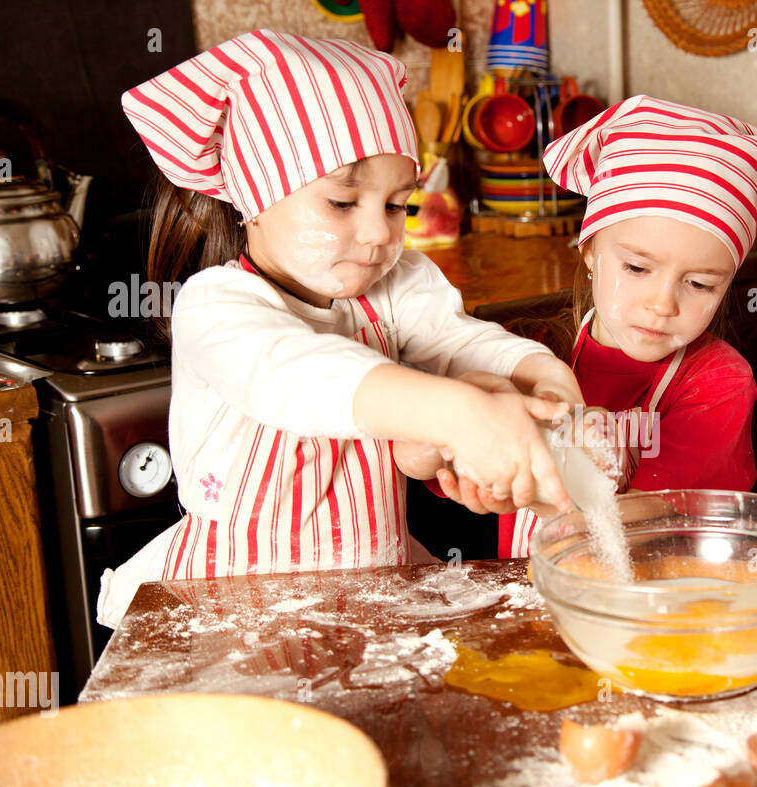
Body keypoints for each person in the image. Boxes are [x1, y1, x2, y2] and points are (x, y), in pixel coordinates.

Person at [97, 30, 581, 628]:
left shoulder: (397, 284)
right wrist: (461, 413)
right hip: (233, 613)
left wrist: (539, 377)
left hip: (369, 595)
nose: (380, 233)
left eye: (397, 204)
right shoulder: (216, 306)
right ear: (255, 195)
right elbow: (298, 376)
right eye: (344, 202)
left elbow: (456, 341)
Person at [484, 95, 757, 557]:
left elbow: (651, 512)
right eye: (638, 269)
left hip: (665, 607)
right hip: (527, 600)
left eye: (699, 284)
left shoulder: (720, 384)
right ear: (591, 254)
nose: (662, 304)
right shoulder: (527, 351)